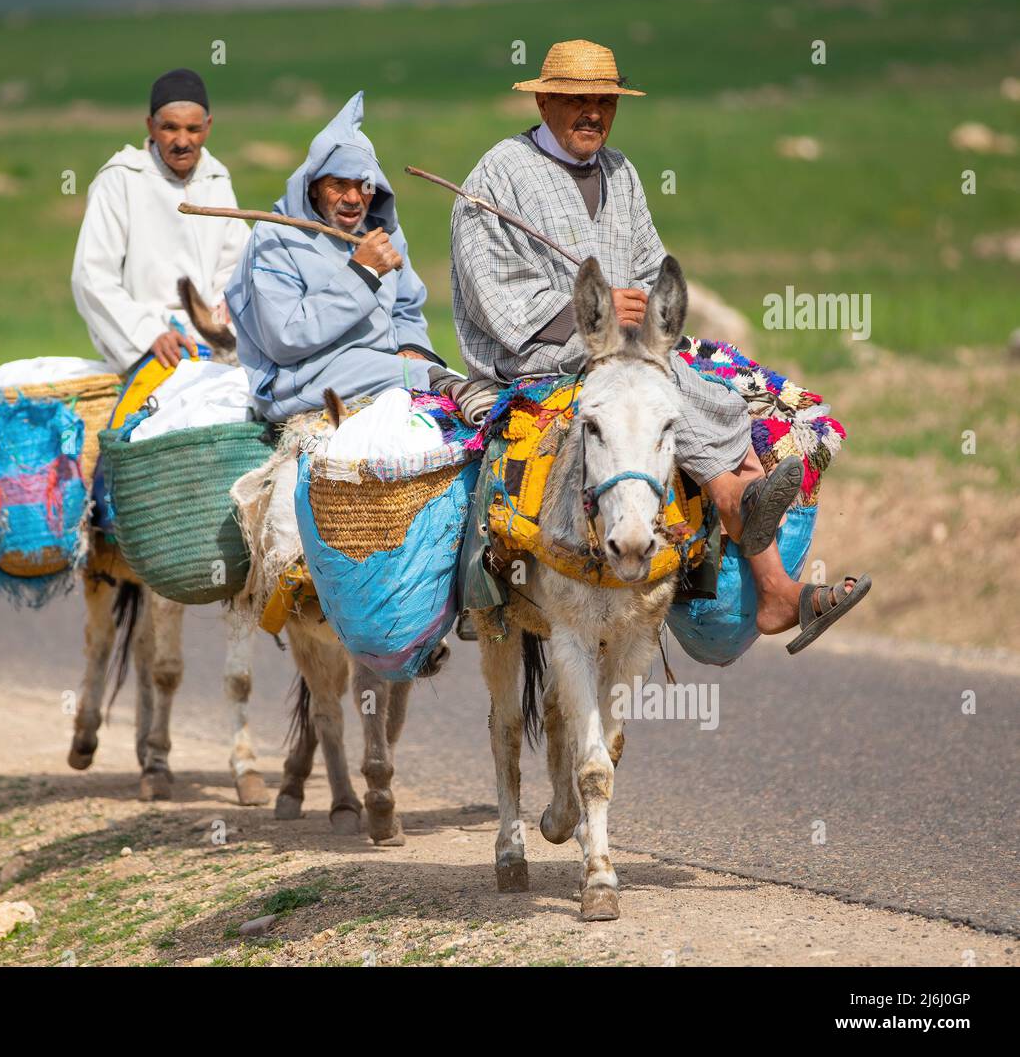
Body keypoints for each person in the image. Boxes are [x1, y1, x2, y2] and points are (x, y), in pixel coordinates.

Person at [451, 40, 869, 647]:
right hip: (538, 358)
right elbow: (492, 291)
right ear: (544, 100)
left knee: (715, 398)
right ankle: (743, 511)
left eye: (604, 100)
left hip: (629, 349)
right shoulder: (494, 178)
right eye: (577, 100)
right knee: (665, 397)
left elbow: (650, 263)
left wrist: (644, 311)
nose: (592, 112)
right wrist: (586, 313)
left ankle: (770, 580)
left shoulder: (621, 173)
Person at [227, 91, 444, 422]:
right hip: (301, 379)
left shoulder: (381, 233)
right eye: (339, 184)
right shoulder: (275, 237)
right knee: (441, 383)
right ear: (313, 186)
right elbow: (285, 340)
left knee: (444, 382)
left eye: (365, 186)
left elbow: (406, 308)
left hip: (382, 368)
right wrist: (363, 273)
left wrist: (413, 349)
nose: (354, 198)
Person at [72, 68, 248, 372]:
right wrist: (148, 334)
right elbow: (92, 276)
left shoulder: (215, 178)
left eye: (193, 129)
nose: (182, 141)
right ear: (150, 126)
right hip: (149, 342)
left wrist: (225, 311)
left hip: (214, 339)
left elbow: (234, 264)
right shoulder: (121, 179)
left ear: (208, 126)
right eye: (169, 128)